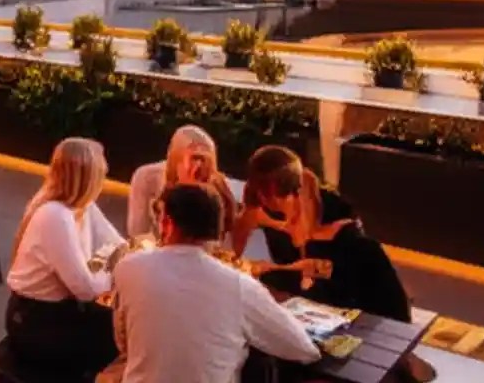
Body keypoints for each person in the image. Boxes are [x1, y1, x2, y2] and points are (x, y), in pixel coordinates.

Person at [112, 184, 320, 382]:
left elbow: (123, 343)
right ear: (219, 232)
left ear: (167, 223)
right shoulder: (239, 286)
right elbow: (303, 349)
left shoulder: (128, 268)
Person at [234, 146, 412, 323]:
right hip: (311, 309)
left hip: (353, 313)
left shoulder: (352, 244)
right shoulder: (266, 209)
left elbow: (396, 313)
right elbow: (242, 233)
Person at [5, 138, 123, 378]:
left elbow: (117, 243)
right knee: (119, 341)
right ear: (88, 179)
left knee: (123, 329)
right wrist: (117, 271)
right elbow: (86, 289)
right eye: (101, 176)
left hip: (59, 312)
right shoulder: (55, 215)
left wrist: (107, 264)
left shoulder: (82, 206)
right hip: (35, 322)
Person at [126, 125, 237, 241]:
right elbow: (138, 234)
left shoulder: (220, 192)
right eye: (195, 158)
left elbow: (222, 244)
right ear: (176, 159)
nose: (198, 166)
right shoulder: (147, 177)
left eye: (204, 159)